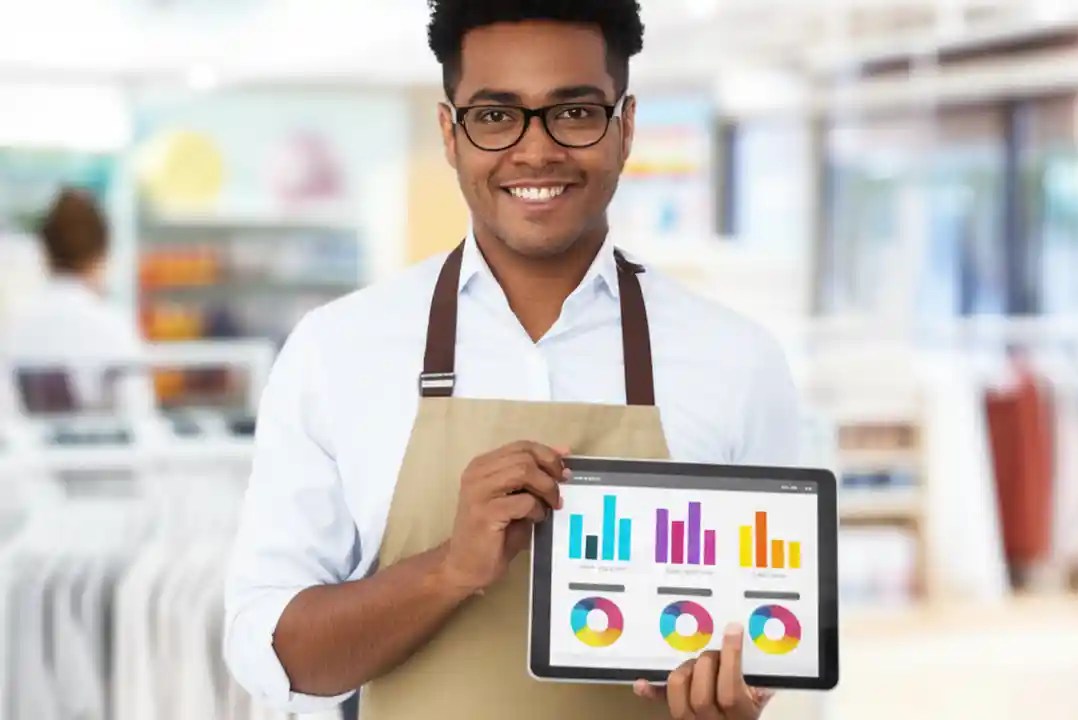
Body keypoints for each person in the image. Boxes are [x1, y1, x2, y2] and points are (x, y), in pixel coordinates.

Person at [223, 2, 800, 719]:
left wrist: (735, 709)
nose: (536, 152)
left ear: (624, 129)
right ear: (449, 133)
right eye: (496, 116)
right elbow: (273, 654)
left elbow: (784, 664)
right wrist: (448, 570)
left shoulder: (737, 363)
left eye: (575, 112)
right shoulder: (335, 352)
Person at [0, 188, 153, 418]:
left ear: (45, 252)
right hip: (101, 450)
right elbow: (138, 414)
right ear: (101, 255)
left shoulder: (16, 325)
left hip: (33, 451)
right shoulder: (111, 325)